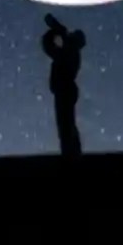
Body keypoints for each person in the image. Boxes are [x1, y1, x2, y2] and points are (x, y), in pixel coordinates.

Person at [41, 13, 85, 157]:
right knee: (66, 124)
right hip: (65, 91)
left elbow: (48, 46)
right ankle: (71, 151)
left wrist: (58, 31)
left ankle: (71, 153)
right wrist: (57, 30)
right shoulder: (70, 52)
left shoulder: (70, 53)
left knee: (65, 125)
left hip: (65, 91)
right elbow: (48, 45)